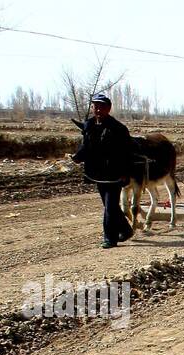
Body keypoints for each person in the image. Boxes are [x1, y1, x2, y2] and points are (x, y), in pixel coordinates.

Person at [71, 93, 135, 249]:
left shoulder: (119, 129)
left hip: (115, 174)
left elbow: (127, 153)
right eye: (95, 106)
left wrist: (125, 172)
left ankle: (109, 238)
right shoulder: (89, 125)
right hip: (98, 173)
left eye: (101, 107)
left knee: (110, 206)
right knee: (109, 206)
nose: (98, 110)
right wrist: (78, 157)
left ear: (109, 109)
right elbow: (86, 146)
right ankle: (126, 230)